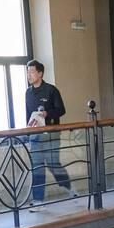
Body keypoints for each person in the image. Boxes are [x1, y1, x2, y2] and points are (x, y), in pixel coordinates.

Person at [24, 60, 71, 205]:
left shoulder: (51, 90)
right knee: (37, 167)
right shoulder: (28, 92)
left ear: (40, 73)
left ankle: (69, 188)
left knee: (53, 164)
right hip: (35, 136)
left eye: (31, 72)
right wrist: (28, 131)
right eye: (27, 72)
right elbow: (28, 114)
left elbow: (61, 110)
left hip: (51, 134)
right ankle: (38, 201)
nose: (29, 75)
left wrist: (47, 113)